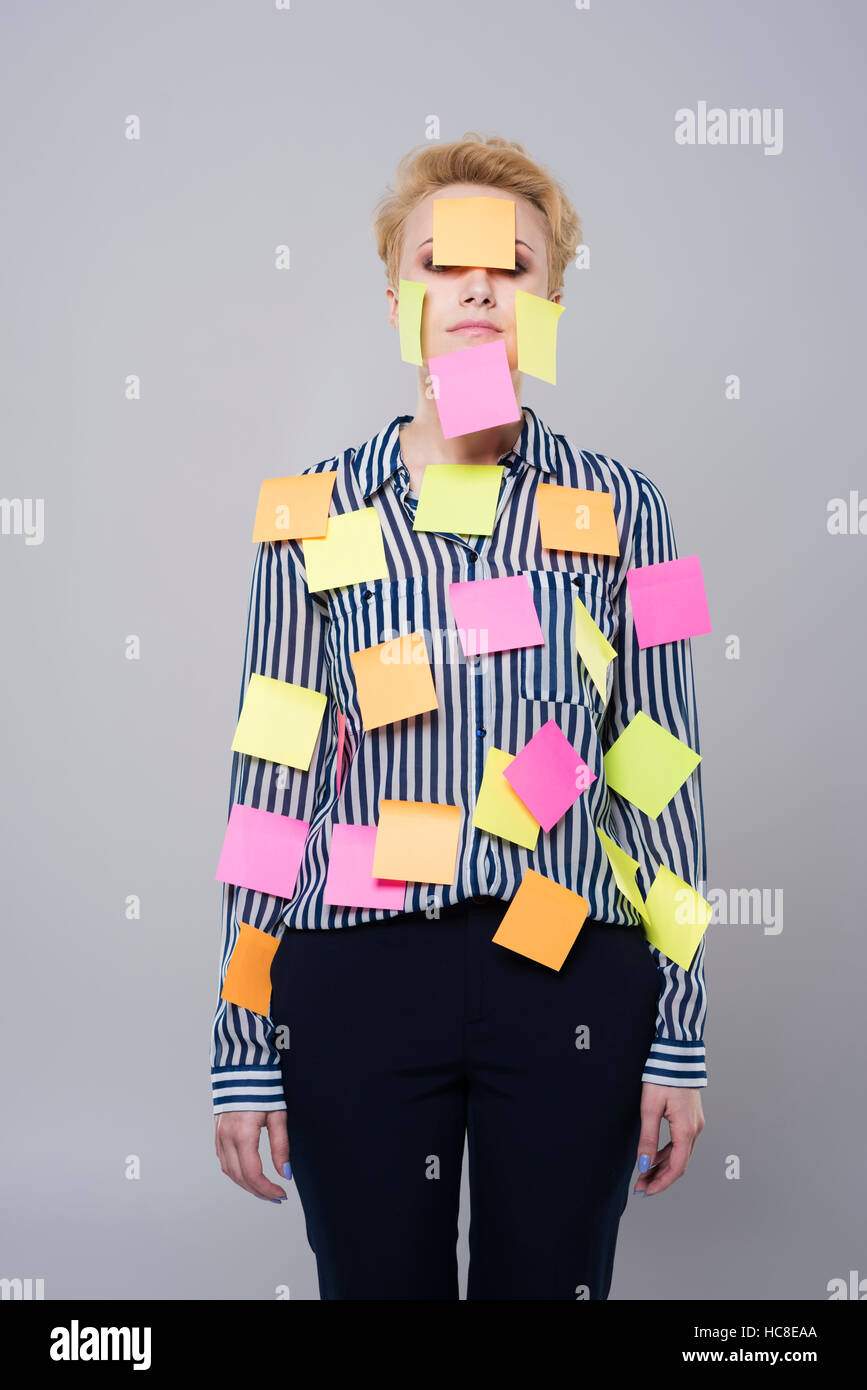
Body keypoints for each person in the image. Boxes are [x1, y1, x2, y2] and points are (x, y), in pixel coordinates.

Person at [212, 132, 708, 1300]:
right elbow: (271, 795)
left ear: (550, 302)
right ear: (399, 298)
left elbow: (661, 777)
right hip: (358, 976)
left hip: (575, 972)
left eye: (515, 263)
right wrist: (243, 1048)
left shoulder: (636, 510)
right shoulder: (309, 516)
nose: (480, 282)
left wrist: (678, 1030)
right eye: (444, 261)